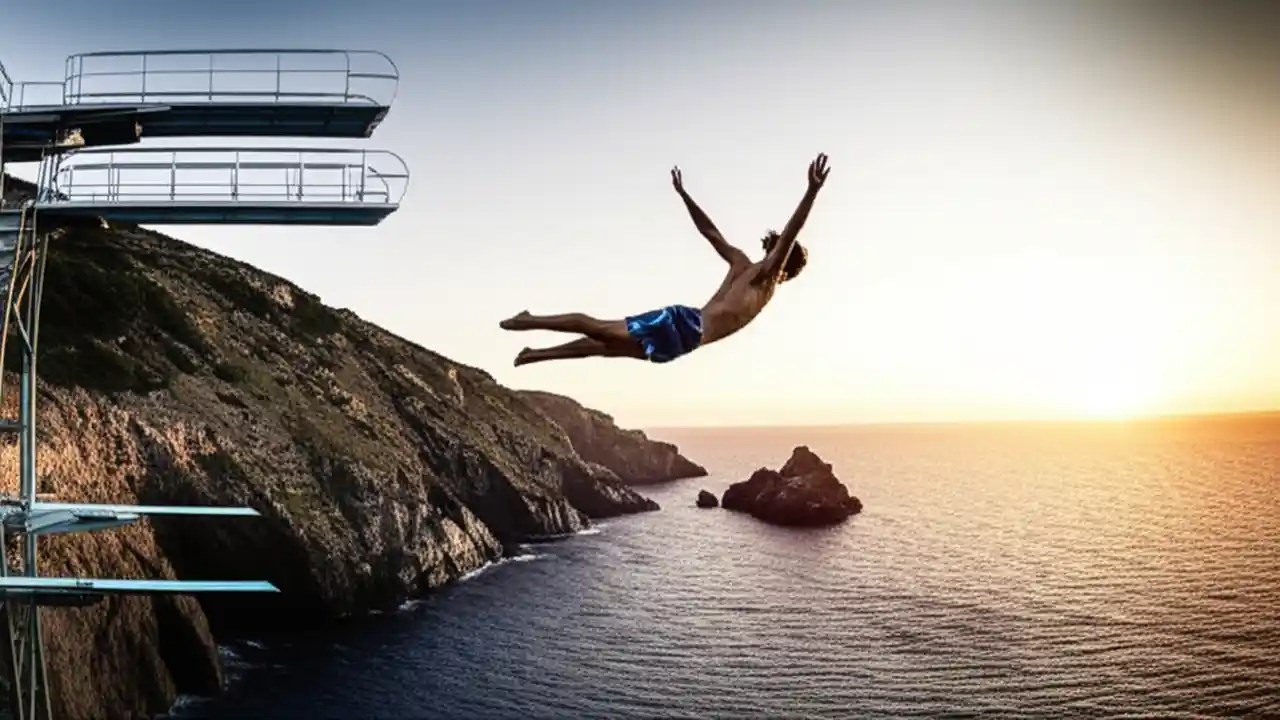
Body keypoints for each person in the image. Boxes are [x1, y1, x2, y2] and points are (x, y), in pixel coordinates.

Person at [500, 153, 831, 366]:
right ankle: (530, 320)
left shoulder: (762, 279)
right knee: (598, 330)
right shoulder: (749, 269)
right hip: (683, 325)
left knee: (602, 346)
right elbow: (711, 232)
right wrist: (686, 196)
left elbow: (785, 233)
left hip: (682, 344)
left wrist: (811, 193)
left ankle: (537, 354)